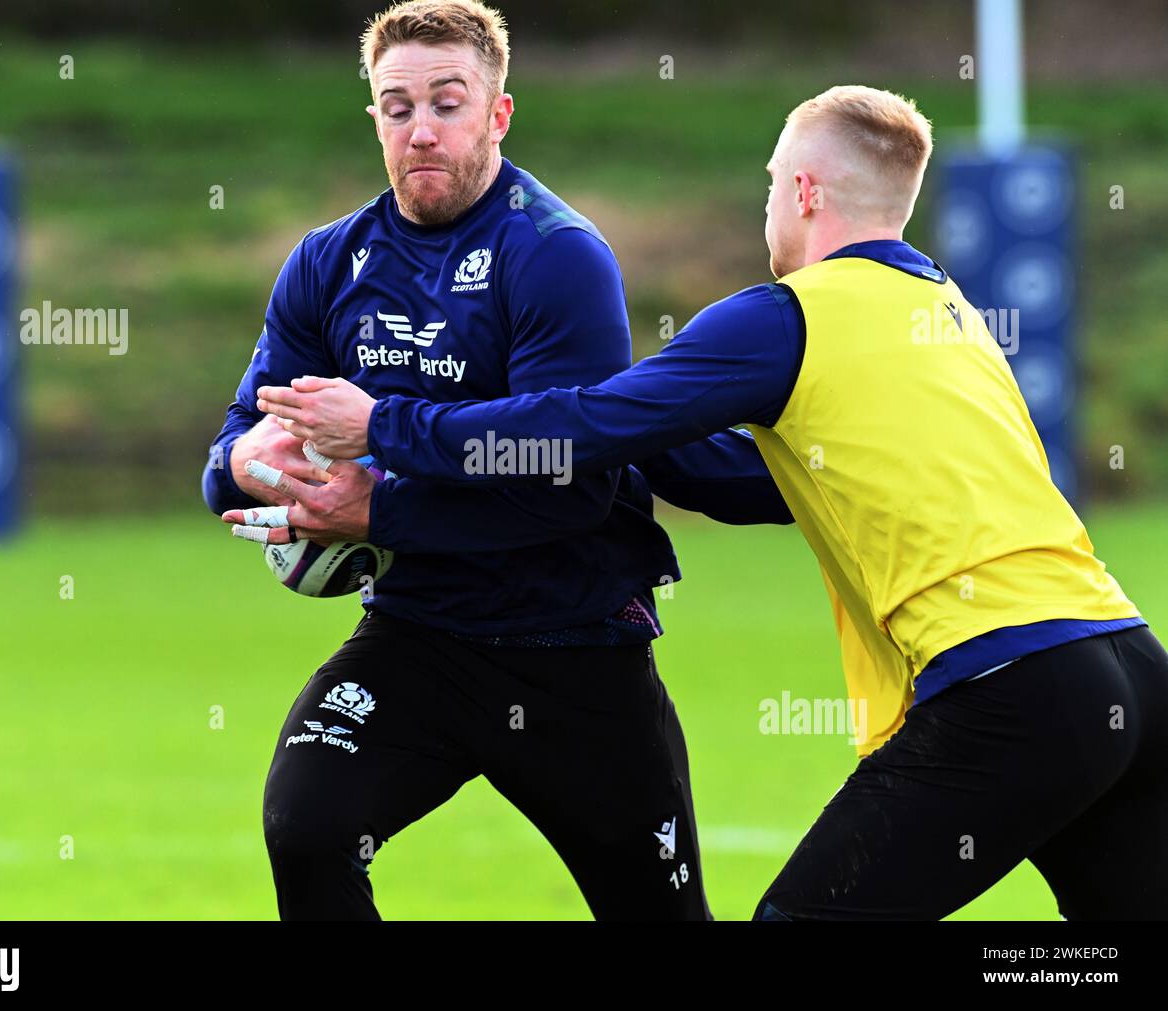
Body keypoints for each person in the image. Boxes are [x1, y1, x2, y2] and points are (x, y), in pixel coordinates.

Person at [274, 84, 1168, 920]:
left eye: (774, 182)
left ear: (808, 192)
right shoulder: (951, 318)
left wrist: (387, 425)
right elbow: (745, 480)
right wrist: (615, 460)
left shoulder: (785, 316)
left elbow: (588, 425)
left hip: (1011, 685)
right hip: (1130, 667)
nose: (769, 201)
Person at [203, 0, 784, 920]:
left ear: (498, 113)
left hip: (575, 644)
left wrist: (378, 508)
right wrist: (255, 464)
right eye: (398, 108)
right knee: (307, 829)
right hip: (418, 638)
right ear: (374, 118)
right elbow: (232, 442)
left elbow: (569, 489)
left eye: (447, 103)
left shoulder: (557, 255)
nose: (421, 129)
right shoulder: (328, 262)